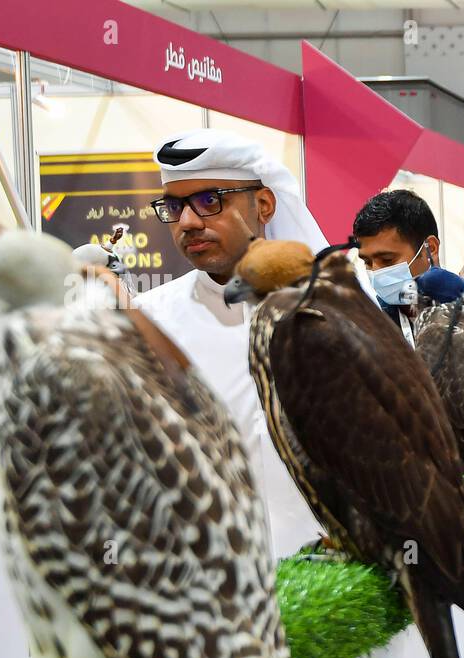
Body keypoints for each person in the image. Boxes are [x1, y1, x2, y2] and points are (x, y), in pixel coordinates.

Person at [135, 128, 357, 558]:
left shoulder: (338, 307)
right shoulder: (148, 318)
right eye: (174, 206)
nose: (188, 222)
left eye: (209, 200)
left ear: (264, 204)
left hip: (331, 567)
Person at [353, 190, 442, 342]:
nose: (375, 273)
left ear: (430, 249)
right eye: (367, 262)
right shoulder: (370, 330)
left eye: (387, 260)